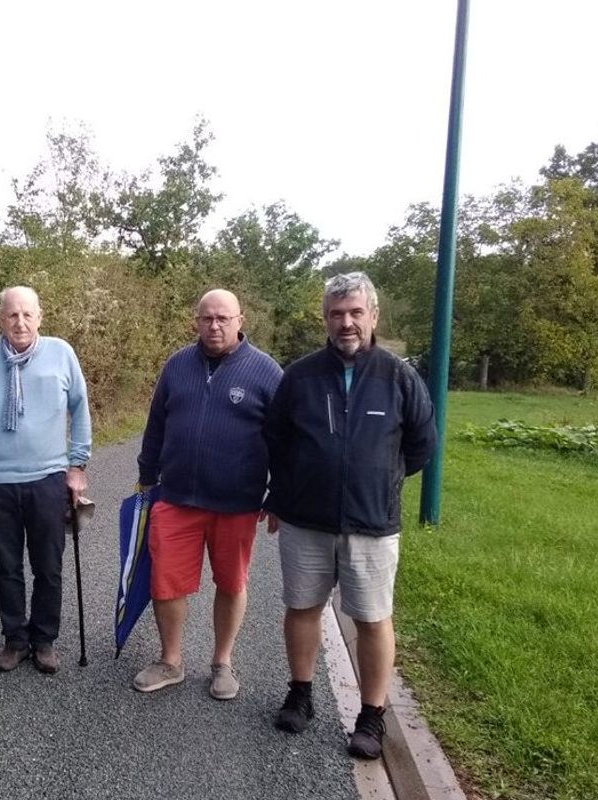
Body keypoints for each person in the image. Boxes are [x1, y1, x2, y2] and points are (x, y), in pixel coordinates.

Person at [263, 271, 437, 759]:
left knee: (373, 618)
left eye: (355, 312)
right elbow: (276, 440)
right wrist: (281, 495)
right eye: (337, 314)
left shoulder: (398, 376)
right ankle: (301, 693)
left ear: (373, 316)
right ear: (325, 318)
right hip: (305, 521)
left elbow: (423, 444)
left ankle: (371, 715)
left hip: (371, 525)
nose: (346, 322)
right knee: (302, 608)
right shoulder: (299, 376)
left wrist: (380, 482)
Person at [134, 289, 282, 700]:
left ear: (240, 320)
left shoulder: (266, 372)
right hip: (176, 497)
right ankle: (170, 660)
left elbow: (286, 439)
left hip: (237, 502)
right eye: (207, 318)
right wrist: (147, 474)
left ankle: (222, 663)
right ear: (195, 321)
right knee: (166, 583)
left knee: (231, 583)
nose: (214, 326)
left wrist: (279, 492)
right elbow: (156, 422)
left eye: (223, 318)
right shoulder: (177, 365)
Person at [0, 286, 91, 675]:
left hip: (47, 477)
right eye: (11, 315)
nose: (19, 322)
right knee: (6, 565)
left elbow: (80, 407)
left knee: (48, 566)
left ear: (39, 317)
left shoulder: (61, 352)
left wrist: (77, 465)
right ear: (0, 319)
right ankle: (14, 639)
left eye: (27, 315)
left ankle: (44, 639)